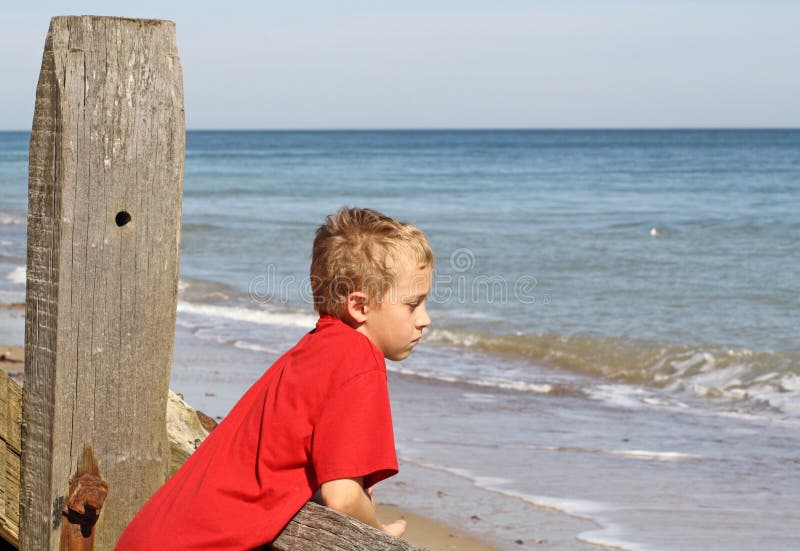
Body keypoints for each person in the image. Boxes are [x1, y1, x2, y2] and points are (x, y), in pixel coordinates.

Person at [116, 207, 434, 550]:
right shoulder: (359, 359)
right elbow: (342, 496)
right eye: (412, 305)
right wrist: (379, 535)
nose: (425, 319)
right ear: (359, 307)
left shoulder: (314, 350)